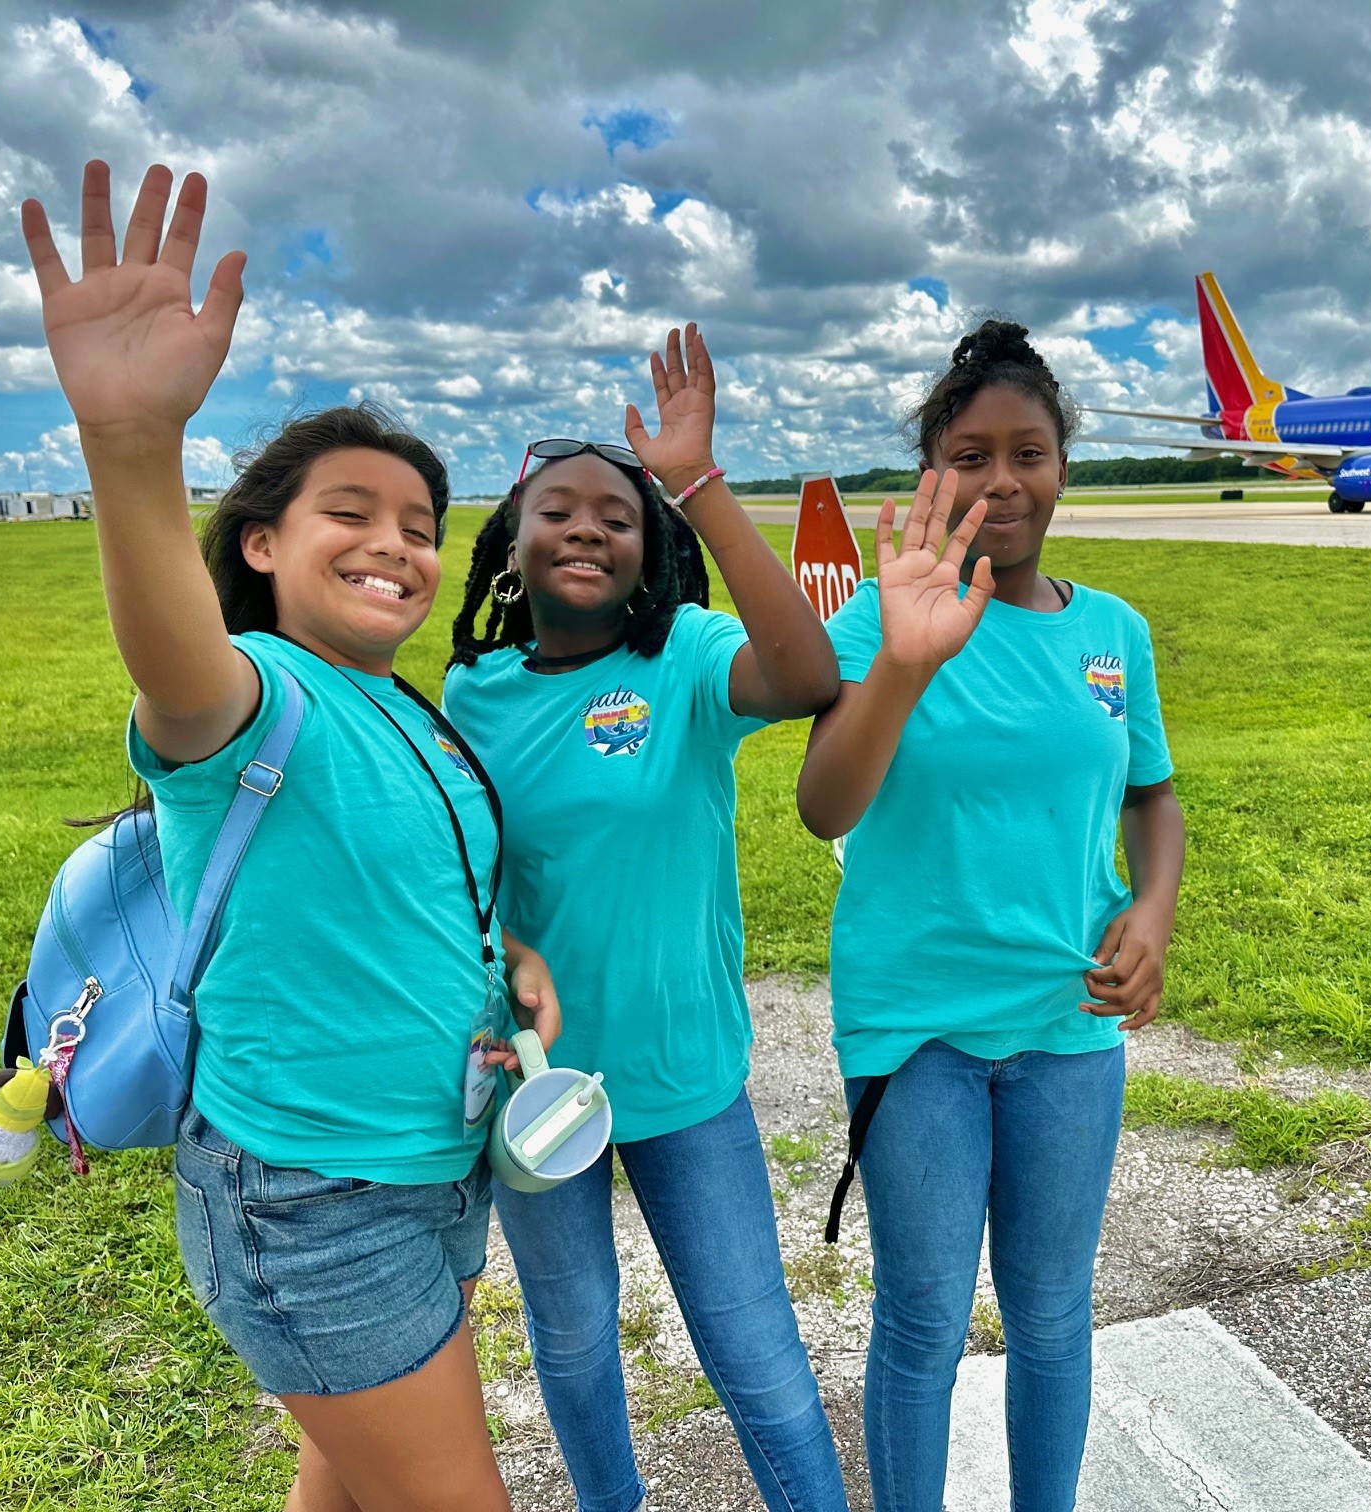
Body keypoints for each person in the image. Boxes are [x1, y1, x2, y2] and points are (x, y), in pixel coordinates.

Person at [22, 159, 559, 1512]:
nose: (398, 544)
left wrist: (515, 965)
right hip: (313, 1196)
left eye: (423, 527)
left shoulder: (416, 717)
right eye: (352, 514)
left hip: (432, 1164)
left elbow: (419, 894)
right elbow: (170, 650)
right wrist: (132, 448)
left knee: (342, 1473)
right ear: (259, 545)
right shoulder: (252, 697)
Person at [443, 324, 848, 1512]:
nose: (587, 530)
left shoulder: (688, 657)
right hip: (537, 1082)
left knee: (755, 1353)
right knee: (573, 1348)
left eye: (617, 517)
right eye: (558, 512)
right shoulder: (473, 690)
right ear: (512, 544)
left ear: (650, 547)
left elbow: (812, 677)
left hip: (686, 1077)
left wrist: (701, 485)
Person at [795, 321, 1186, 1512]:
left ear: (1064, 465)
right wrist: (906, 662)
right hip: (920, 1031)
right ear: (933, 474)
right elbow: (824, 806)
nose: (1001, 481)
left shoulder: (1113, 632)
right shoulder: (880, 614)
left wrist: (1156, 911)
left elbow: (1152, 794)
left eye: (1029, 452)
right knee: (921, 1321)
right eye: (970, 455)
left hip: (1069, 1022)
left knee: (1055, 1316)